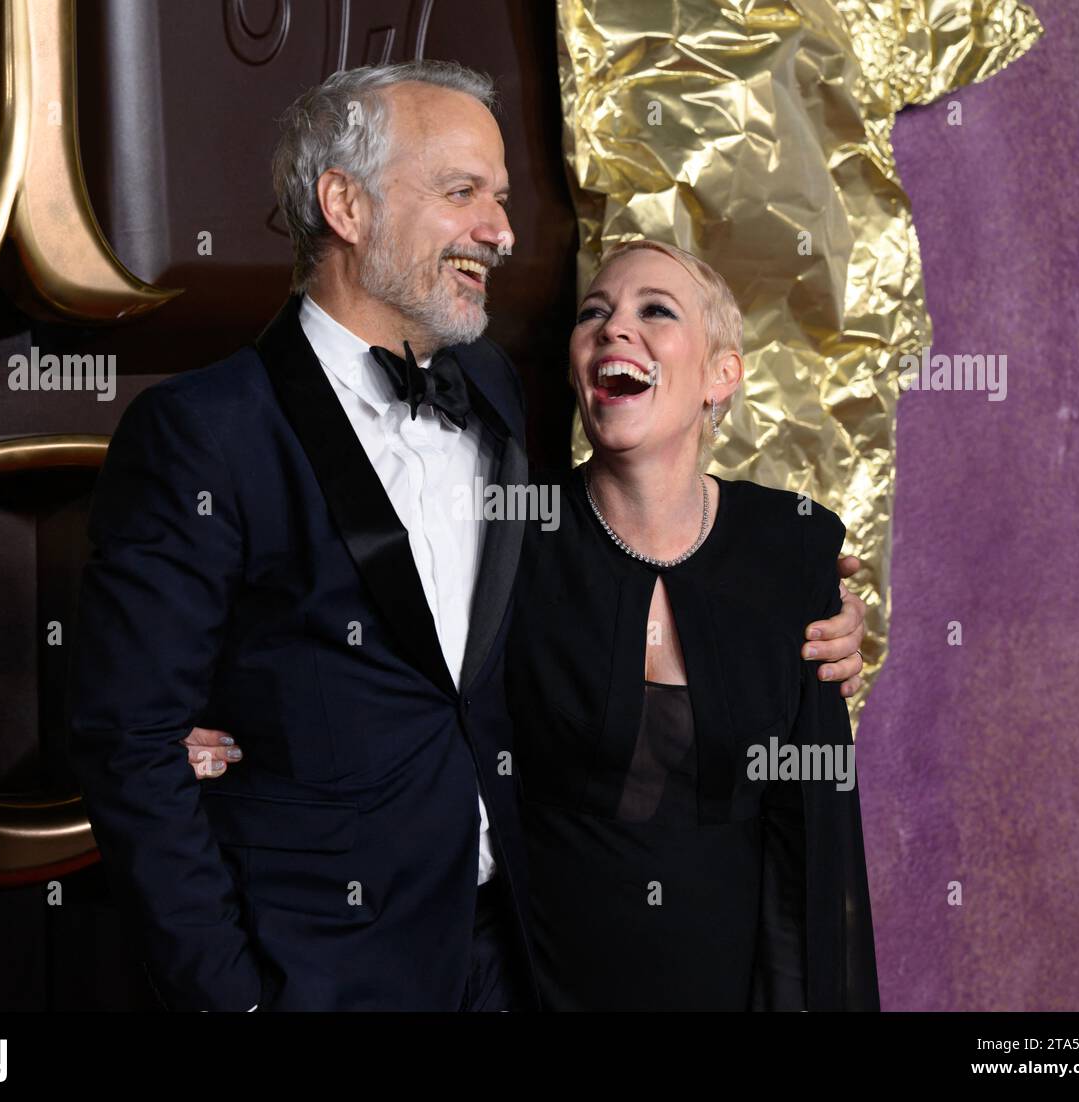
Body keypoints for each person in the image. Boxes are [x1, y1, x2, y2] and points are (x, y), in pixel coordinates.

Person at [71, 59, 867, 1012]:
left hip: (513, 961)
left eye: (499, 195)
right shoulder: (205, 430)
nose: (501, 231)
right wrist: (233, 996)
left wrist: (806, 624)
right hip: (316, 970)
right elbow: (130, 743)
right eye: (463, 194)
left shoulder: (489, 388)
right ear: (346, 207)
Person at [507, 239, 879, 1010]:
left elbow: (810, 836)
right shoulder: (514, 536)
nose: (615, 330)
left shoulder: (791, 546)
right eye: (595, 315)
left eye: (656, 311)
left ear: (721, 375)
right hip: (535, 983)